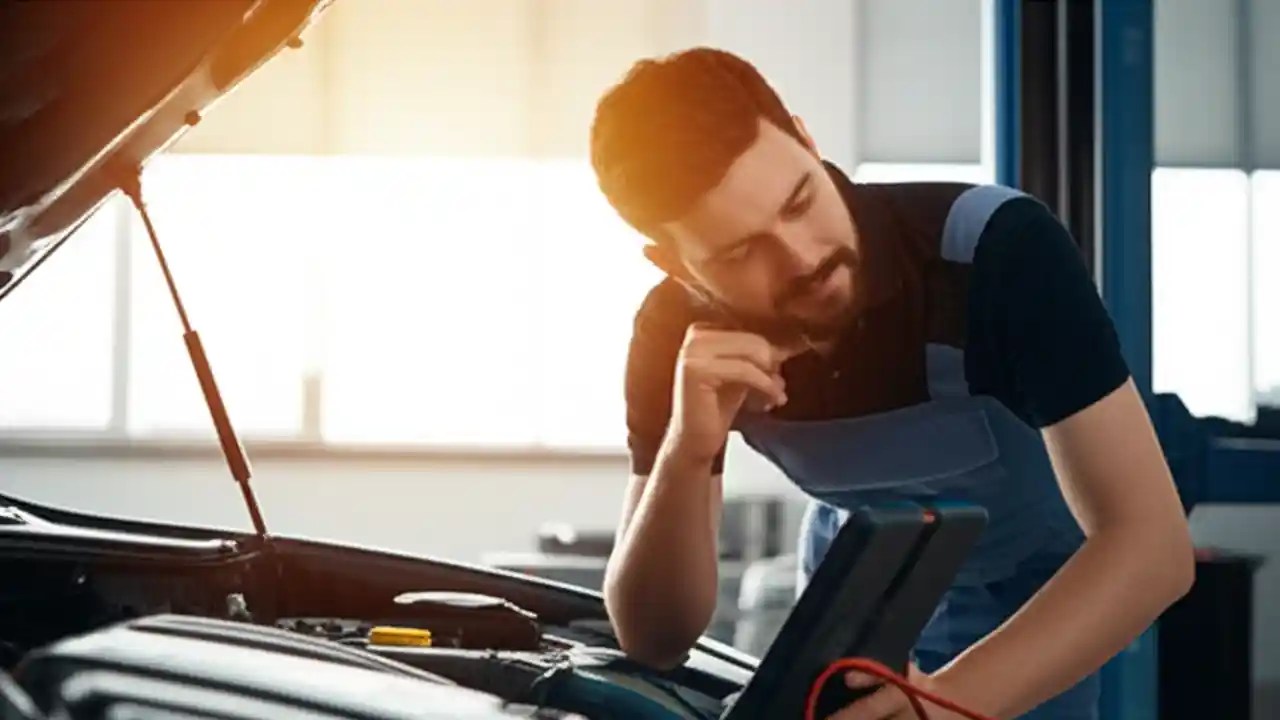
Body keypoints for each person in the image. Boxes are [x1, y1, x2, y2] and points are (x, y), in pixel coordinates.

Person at [587, 47, 1194, 720]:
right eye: (738, 253)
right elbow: (654, 639)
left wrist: (941, 705)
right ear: (676, 266)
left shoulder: (994, 255)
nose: (803, 257)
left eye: (798, 201)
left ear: (805, 138)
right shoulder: (678, 338)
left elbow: (1152, 549)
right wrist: (686, 452)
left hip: (1044, 599)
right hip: (866, 594)